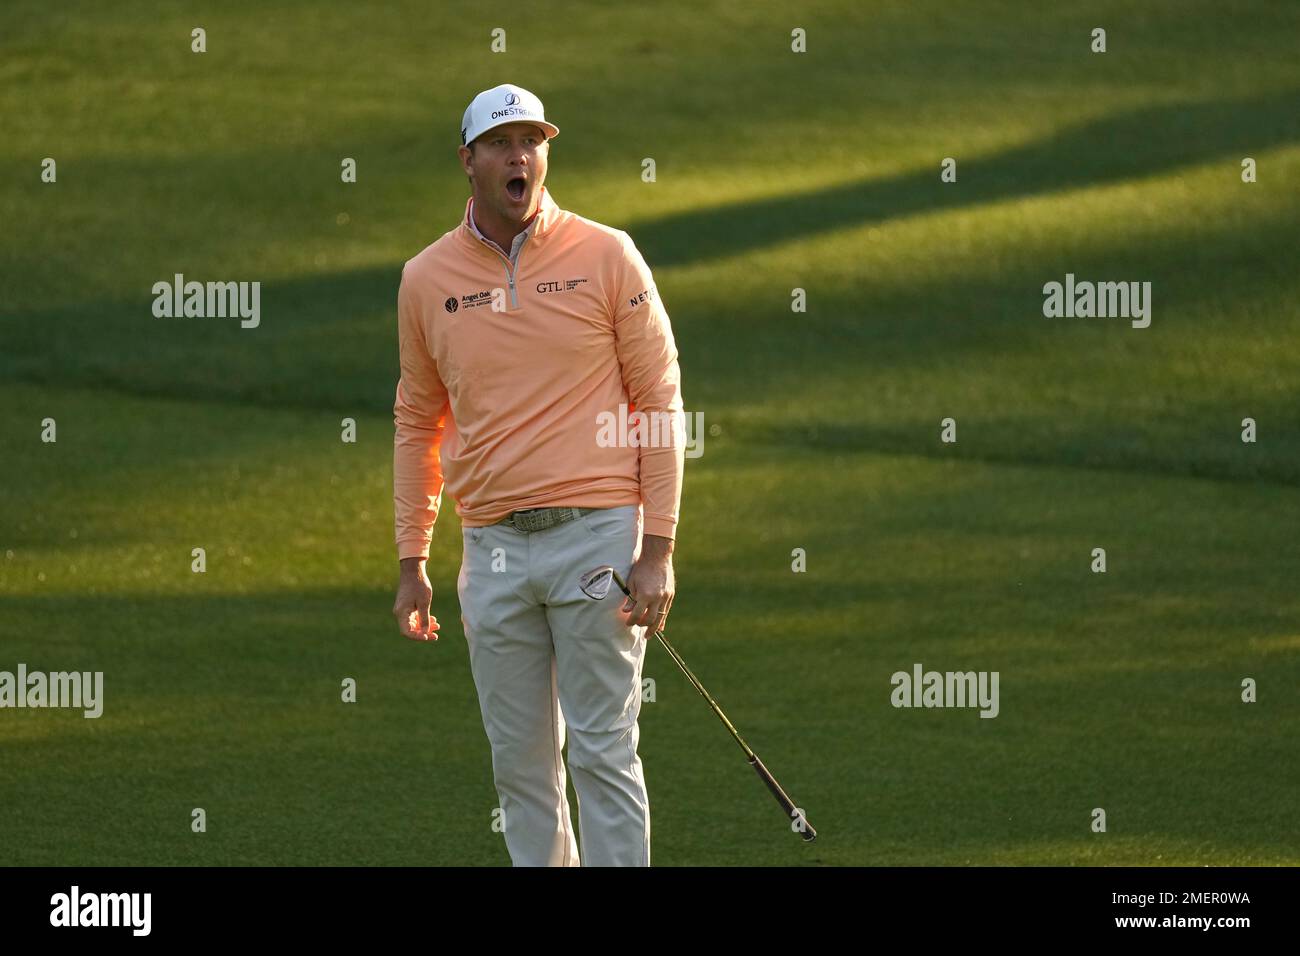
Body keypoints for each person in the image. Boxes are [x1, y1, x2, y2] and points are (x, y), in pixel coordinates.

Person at [390, 83, 685, 867]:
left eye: (532, 140)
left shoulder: (606, 254)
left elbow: (658, 399)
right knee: (520, 767)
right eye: (501, 143)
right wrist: (412, 558)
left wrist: (657, 546)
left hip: (598, 537)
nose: (520, 155)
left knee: (602, 753)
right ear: (469, 162)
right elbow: (419, 421)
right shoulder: (425, 279)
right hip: (490, 550)